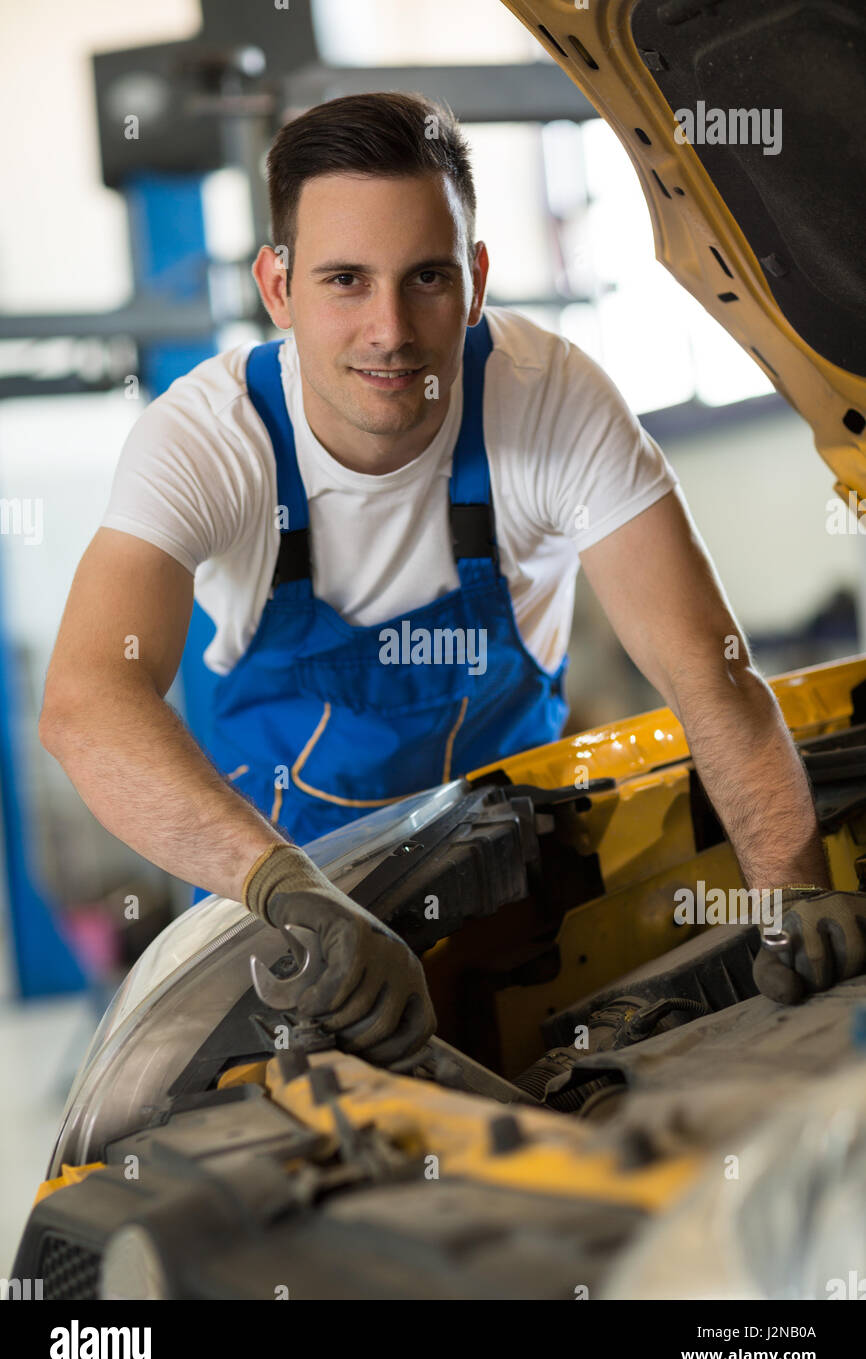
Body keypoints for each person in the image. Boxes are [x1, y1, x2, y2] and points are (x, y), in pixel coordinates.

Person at [40, 93, 857, 1062]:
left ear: (472, 281)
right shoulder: (208, 440)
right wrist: (291, 892)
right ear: (276, 286)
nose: (388, 330)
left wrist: (788, 889)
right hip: (282, 923)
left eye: (424, 277)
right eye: (344, 280)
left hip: (520, 907)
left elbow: (708, 674)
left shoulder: (551, 402)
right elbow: (87, 701)